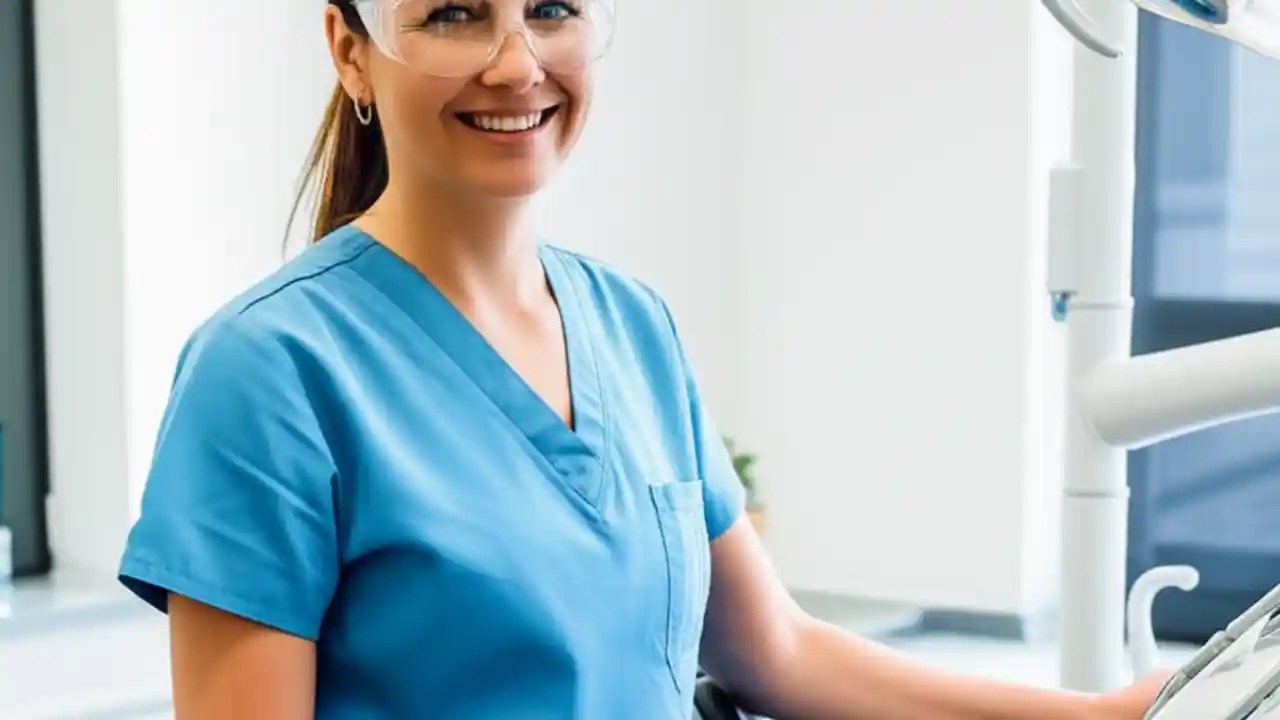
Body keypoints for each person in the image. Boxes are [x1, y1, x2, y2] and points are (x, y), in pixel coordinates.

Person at [117, 1, 1168, 717]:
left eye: (551, 7)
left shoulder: (631, 324)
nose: (515, 60)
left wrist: (1101, 714)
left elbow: (777, 654)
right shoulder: (266, 373)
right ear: (348, 50)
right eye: (450, 13)